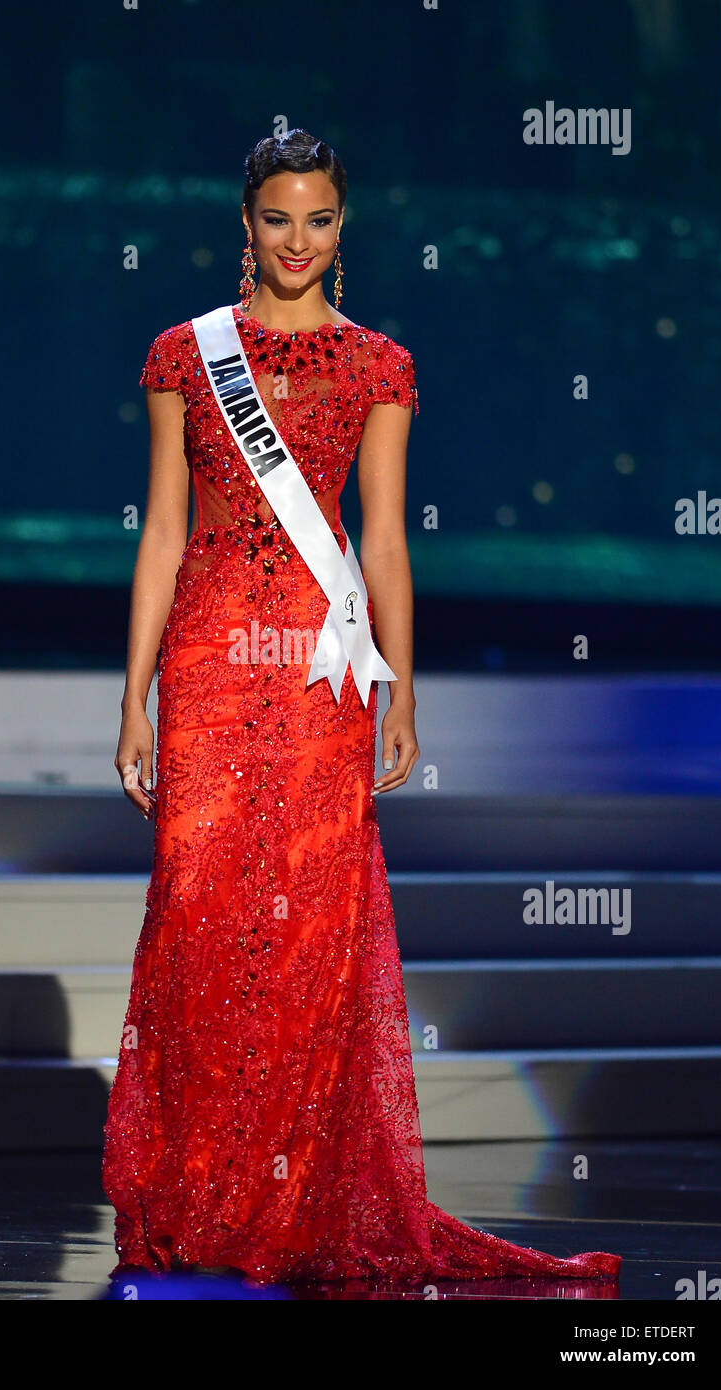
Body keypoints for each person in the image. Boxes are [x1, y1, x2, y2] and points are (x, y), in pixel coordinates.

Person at [102, 128, 620, 1288]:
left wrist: (401, 686)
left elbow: (380, 538)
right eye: (277, 218)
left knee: (302, 944)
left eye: (319, 219)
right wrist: (132, 697)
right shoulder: (183, 356)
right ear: (245, 225)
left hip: (322, 678)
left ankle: (287, 1205)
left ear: (344, 228)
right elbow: (164, 535)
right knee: (198, 925)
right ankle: (200, 1194)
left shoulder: (378, 365)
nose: (297, 241)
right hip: (210, 671)